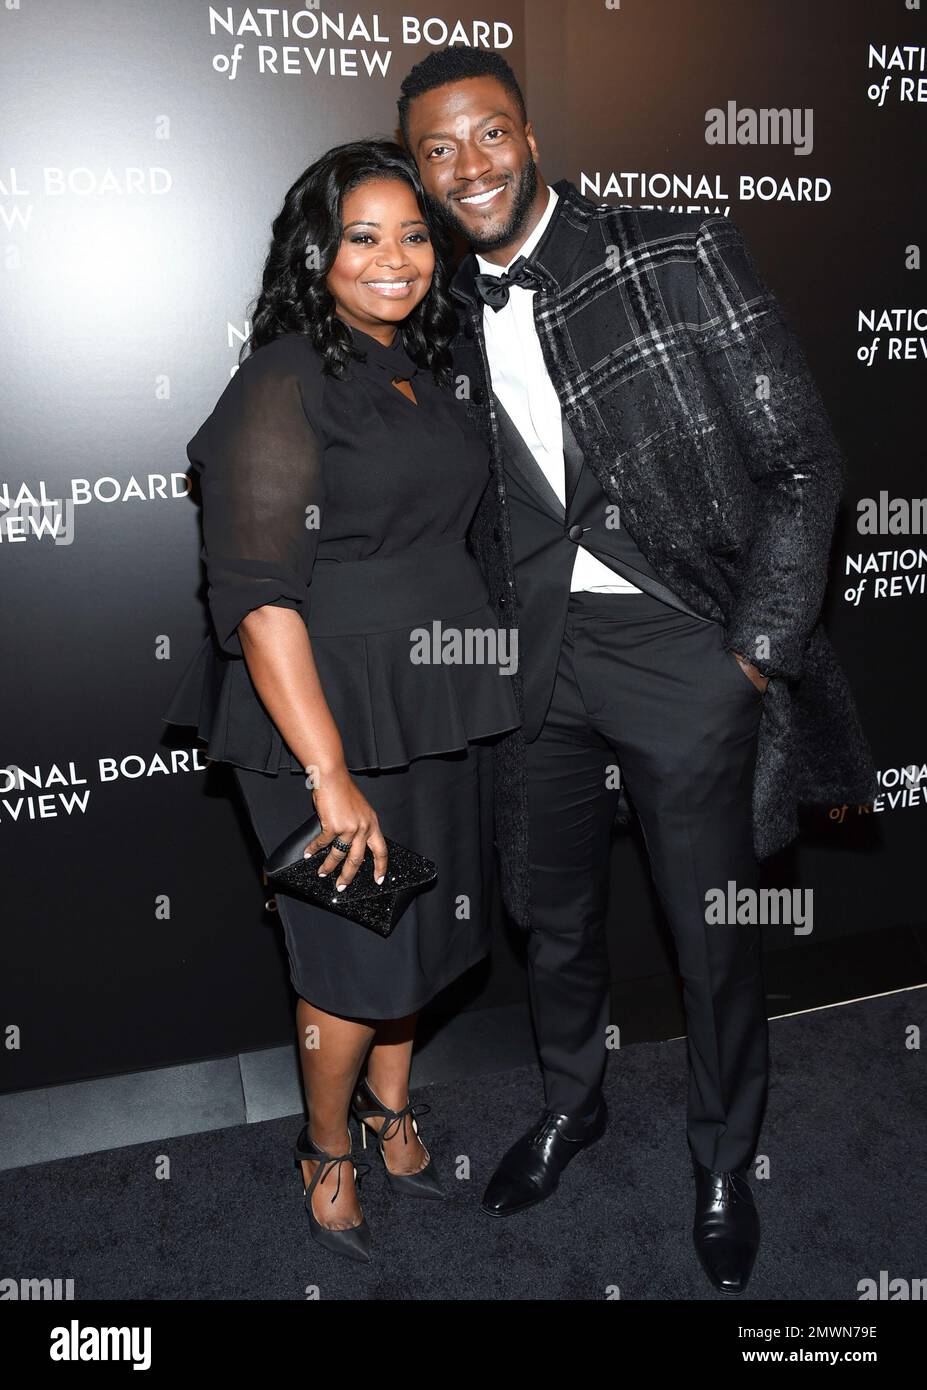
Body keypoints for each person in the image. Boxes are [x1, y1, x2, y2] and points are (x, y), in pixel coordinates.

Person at [397, 48, 878, 1294]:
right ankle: (574, 1101)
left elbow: (804, 462)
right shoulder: (435, 306)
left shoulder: (672, 249)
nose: (469, 169)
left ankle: (725, 1157)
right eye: (439, 152)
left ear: (530, 133)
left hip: (683, 647)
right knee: (549, 914)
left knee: (712, 932)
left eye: (488, 136)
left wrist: (754, 657)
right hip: (532, 664)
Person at [161, 139, 519, 1263]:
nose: (396, 259)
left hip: (436, 700)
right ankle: (324, 1147)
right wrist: (329, 774)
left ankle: (392, 1109)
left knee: (415, 938)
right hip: (319, 716)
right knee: (352, 958)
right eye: (363, 236)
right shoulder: (278, 379)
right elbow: (261, 600)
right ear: (316, 253)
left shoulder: (420, 365)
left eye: (414, 234)